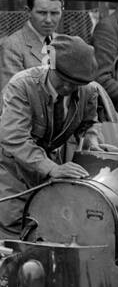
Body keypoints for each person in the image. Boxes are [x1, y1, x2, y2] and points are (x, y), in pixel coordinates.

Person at [0, 35, 111, 239]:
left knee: (52, 230)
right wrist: (53, 169)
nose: (68, 88)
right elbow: (14, 138)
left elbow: (88, 124)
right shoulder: (22, 86)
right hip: (13, 173)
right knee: (14, 236)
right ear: (50, 66)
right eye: (64, 80)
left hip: (52, 174)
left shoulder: (88, 90)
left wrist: (91, 140)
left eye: (75, 84)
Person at [0, 0, 64, 94]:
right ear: (28, 12)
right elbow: (11, 98)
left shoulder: (63, 43)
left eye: (54, 13)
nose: (48, 20)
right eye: (42, 13)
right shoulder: (12, 46)